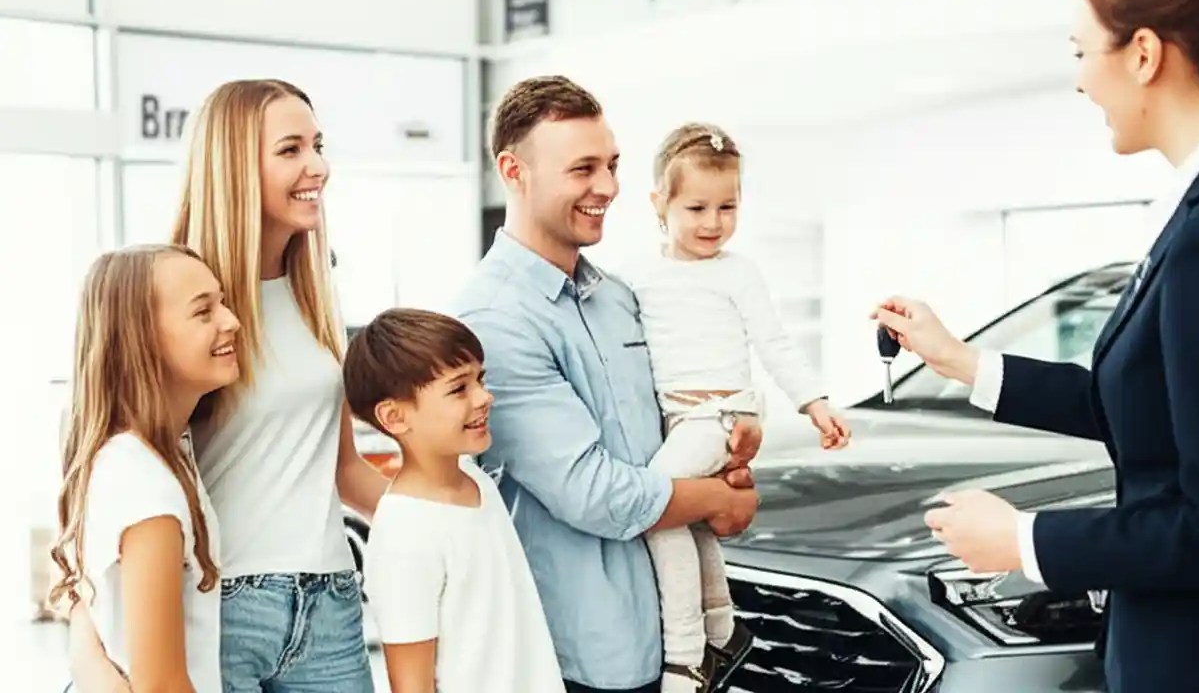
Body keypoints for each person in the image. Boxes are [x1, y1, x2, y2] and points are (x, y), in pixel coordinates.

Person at [873, 0, 1199, 691]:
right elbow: (1149, 411)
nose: (1081, 82)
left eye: (1080, 50)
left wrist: (1022, 540)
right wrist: (963, 362)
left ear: (1145, 53)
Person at [70, 79, 387, 692]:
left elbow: (343, 468)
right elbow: (110, 459)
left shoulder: (314, 293)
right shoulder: (183, 295)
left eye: (317, 145)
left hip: (329, 599)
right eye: (291, 149)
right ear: (237, 163)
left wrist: (454, 514)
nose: (318, 166)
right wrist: (86, 637)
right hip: (222, 604)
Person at [454, 75, 763, 693]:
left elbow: (678, 423)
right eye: (583, 168)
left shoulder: (620, 297)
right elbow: (595, 493)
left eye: (613, 164)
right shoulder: (493, 319)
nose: (609, 187)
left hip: (673, 645)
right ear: (514, 171)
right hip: (583, 656)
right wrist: (718, 500)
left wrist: (732, 461)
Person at [621, 122, 850, 691]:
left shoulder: (738, 272)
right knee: (691, 519)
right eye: (697, 207)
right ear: (659, 203)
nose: (713, 222)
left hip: (721, 417)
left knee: (654, 506)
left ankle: (684, 652)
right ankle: (723, 628)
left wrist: (814, 401)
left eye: (728, 206)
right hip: (675, 420)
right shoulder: (637, 274)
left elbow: (774, 343)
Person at [343, 308, 565, 693]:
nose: (484, 397)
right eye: (458, 388)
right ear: (394, 417)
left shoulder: (478, 481)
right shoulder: (403, 535)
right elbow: (412, 686)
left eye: (480, 379)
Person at [52, 244, 241, 693]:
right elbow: (162, 685)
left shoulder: (148, 456)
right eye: (203, 312)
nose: (231, 320)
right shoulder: (146, 488)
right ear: (143, 339)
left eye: (222, 302)